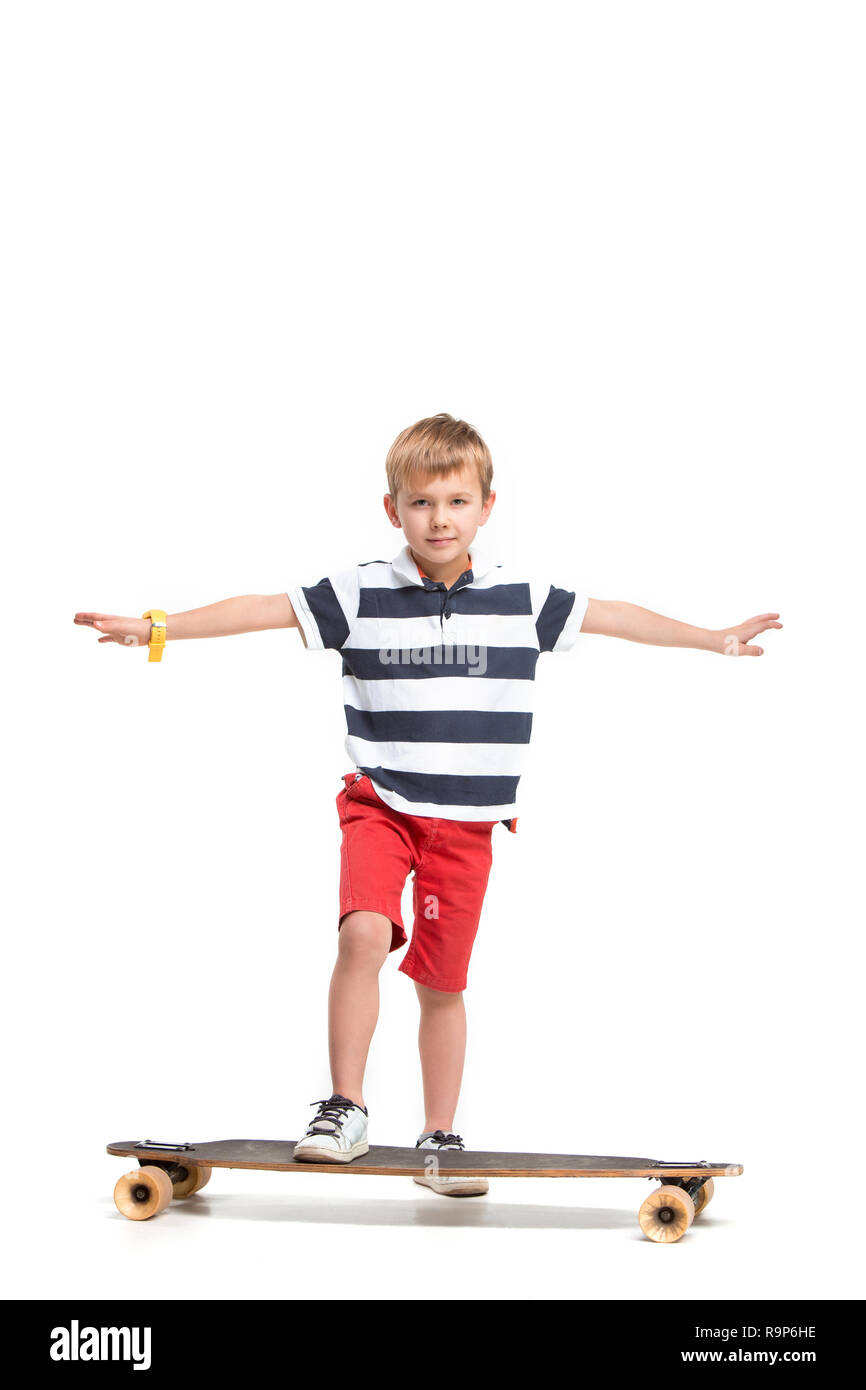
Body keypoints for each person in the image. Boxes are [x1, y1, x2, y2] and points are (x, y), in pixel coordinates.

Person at [73, 412, 782, 1198]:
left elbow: (620, 617)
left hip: (466, 828)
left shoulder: (523, 597)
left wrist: (713, 638)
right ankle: (343, 1109)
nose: (437, 520)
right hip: (380, 804)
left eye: (454, 502)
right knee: (363, 935)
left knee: (441, 985)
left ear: (485, 507)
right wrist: (157, 627)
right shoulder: (361, 592)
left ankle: (439, 1143)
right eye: (420, 503)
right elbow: (261, 608)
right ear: (392, 510)